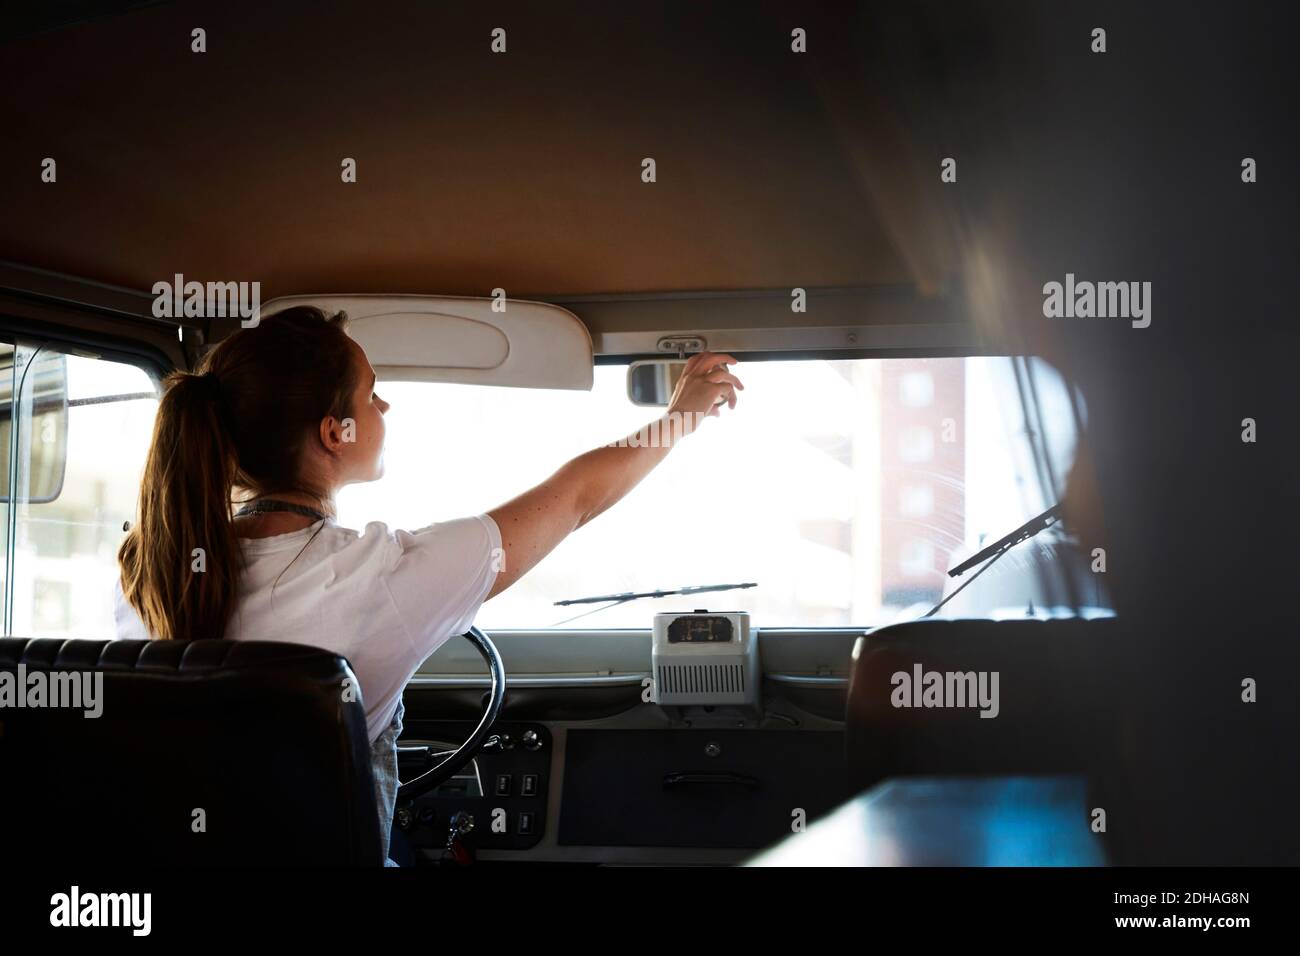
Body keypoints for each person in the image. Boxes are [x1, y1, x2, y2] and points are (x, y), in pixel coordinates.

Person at [114, 305, 742, 865]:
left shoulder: (146, 574)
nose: (384, 407)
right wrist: (678, 419)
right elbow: (574, 497)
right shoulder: (381, 577)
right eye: (372, 393)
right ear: (335, 433)